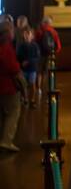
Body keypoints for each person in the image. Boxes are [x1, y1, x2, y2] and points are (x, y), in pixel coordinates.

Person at [0, 23, 25, 152]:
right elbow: (13, 69)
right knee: (13, 113)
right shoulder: (6, 48)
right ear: (7, 33)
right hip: (8, 87)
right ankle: (6, 141)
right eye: (11, 30)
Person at [36, 17, 61, 96]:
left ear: (44, 23)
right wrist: (53, 52)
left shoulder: (39, 31)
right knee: (46, 72)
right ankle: (45, 88)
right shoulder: (53, 31)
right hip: (49, 55)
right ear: (49, 23)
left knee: (39, 72)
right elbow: (58, 47)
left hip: (39, 55)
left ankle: (38, 89)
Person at [17, 27, 41, 108]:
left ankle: (32, 100)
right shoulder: (21, 45)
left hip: (32, 68)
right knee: (23, 85)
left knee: (32, 85)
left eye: (28, 34)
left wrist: (29, 61)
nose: (27, 35)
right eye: (25, 34)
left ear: (32, 36)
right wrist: (21, 62)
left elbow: (37, 57)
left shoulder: (35, 46)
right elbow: (18, 56)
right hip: (23, 69)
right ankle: (25, 99)